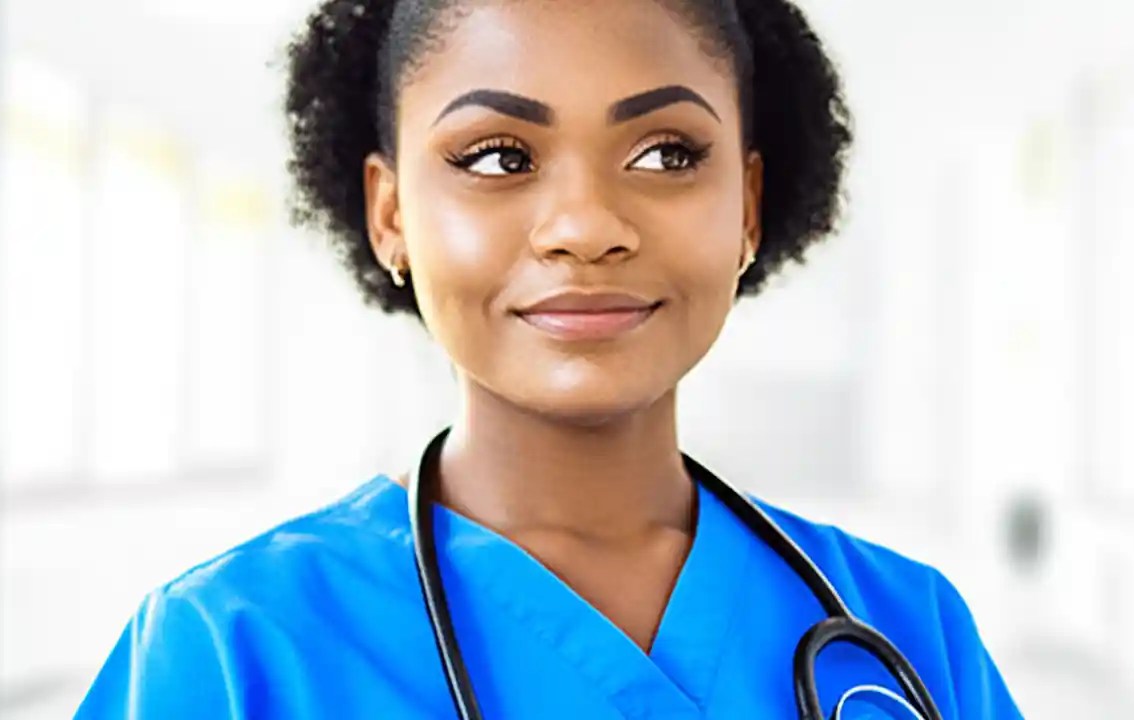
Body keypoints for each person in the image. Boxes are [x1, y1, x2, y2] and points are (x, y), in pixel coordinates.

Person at [74, 0, 1024, 717]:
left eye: (665, 153)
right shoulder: (228, 650)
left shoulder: (909, 631)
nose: (584, 228)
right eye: (497, 157)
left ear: (746, 203)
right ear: (391, 213)